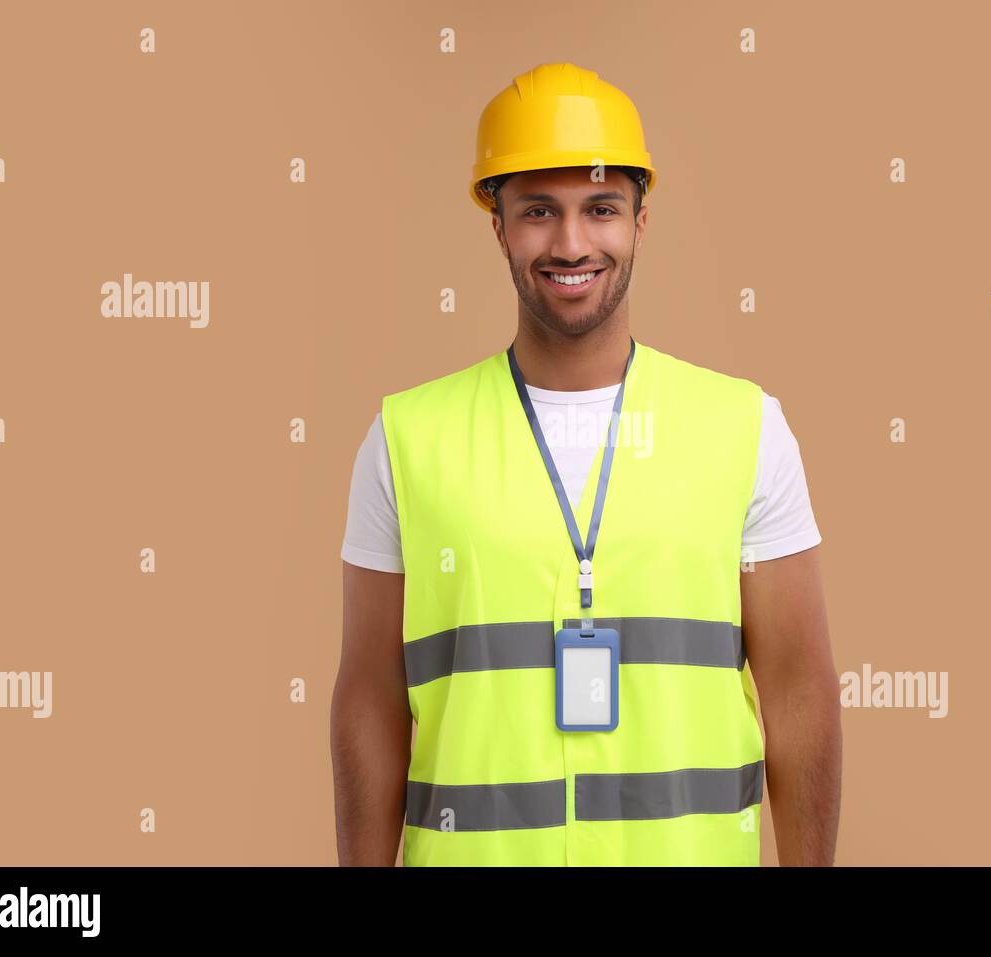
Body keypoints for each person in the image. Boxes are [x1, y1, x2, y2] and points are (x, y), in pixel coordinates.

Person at [332, 63, 841, 866]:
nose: (571, 244)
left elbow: (801, 696)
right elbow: (369, 700)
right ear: (497, 224)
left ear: (641, 219)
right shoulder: (405, 439)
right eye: (539, 210)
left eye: (600, 208)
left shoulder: (747, 428)